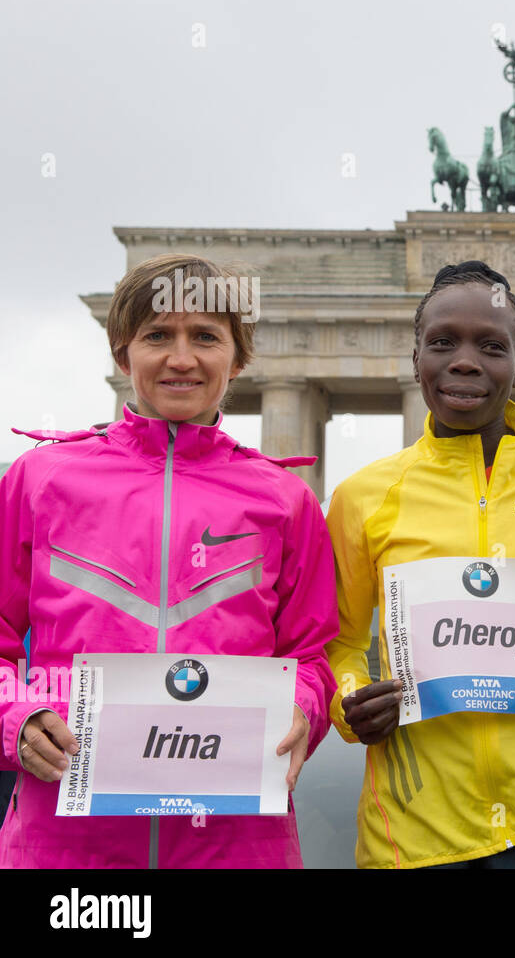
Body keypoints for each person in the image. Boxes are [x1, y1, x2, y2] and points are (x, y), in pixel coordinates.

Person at [0, 253, 338, 868]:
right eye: (158, 335)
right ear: (122, 353)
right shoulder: (38, 480)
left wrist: (304, 707)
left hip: (237, 845)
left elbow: (312, 657)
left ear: (238, 359)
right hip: (68, 850)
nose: (181, 358)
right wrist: (14, 718)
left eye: (206, 336)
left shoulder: (286, 500)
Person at [326, 260, 515, 869]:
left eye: (491, 346)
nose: (464, 361)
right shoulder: (363, 495)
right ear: (415, 357)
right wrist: (351, 701)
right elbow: (335, 640)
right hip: (412, 821)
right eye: (442, 342)